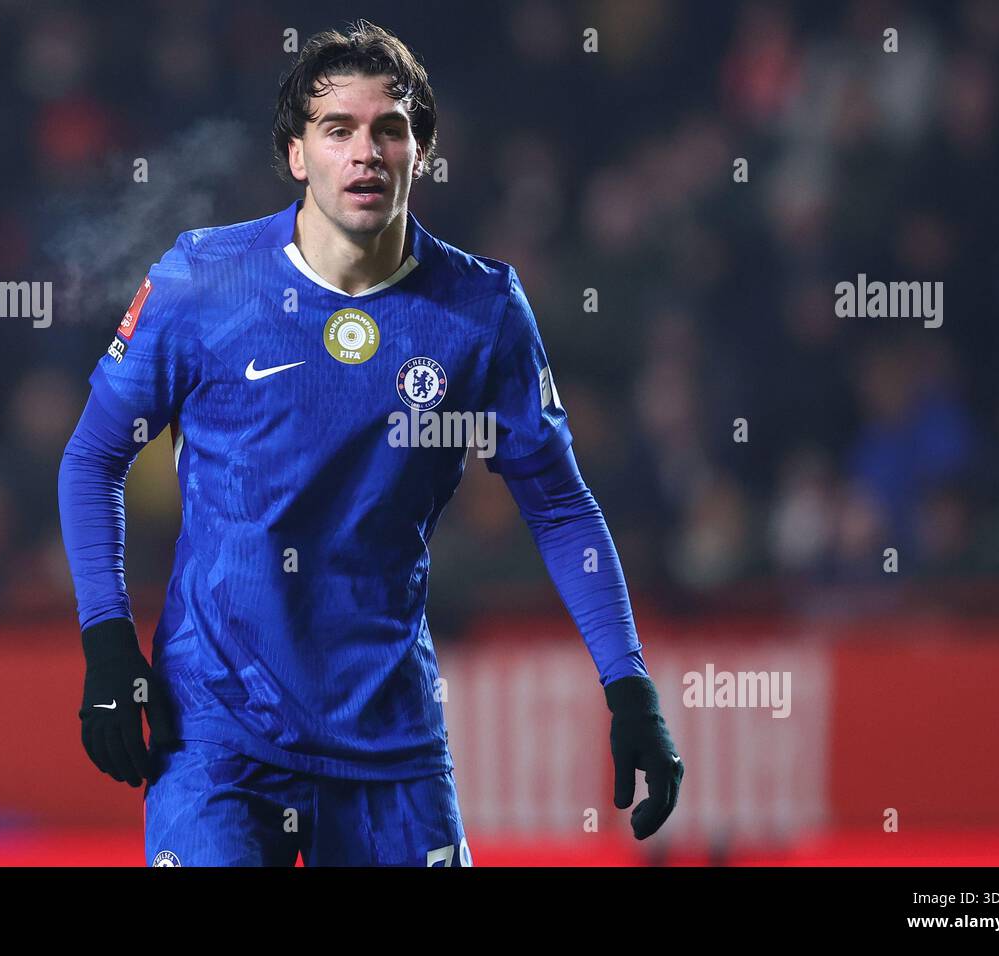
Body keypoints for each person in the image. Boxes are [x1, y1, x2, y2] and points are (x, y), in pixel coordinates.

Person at [58, 19, 682, 867]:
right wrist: (106, 643)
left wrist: (629, 686)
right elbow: (93, 457)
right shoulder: (202, 283)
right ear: (296, 155)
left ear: (420, 153)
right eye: (337, 129)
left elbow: (561, 508)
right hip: (217, 734)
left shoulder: (481, 311)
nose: (366, 152)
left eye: (390, 129)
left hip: (389, 741)